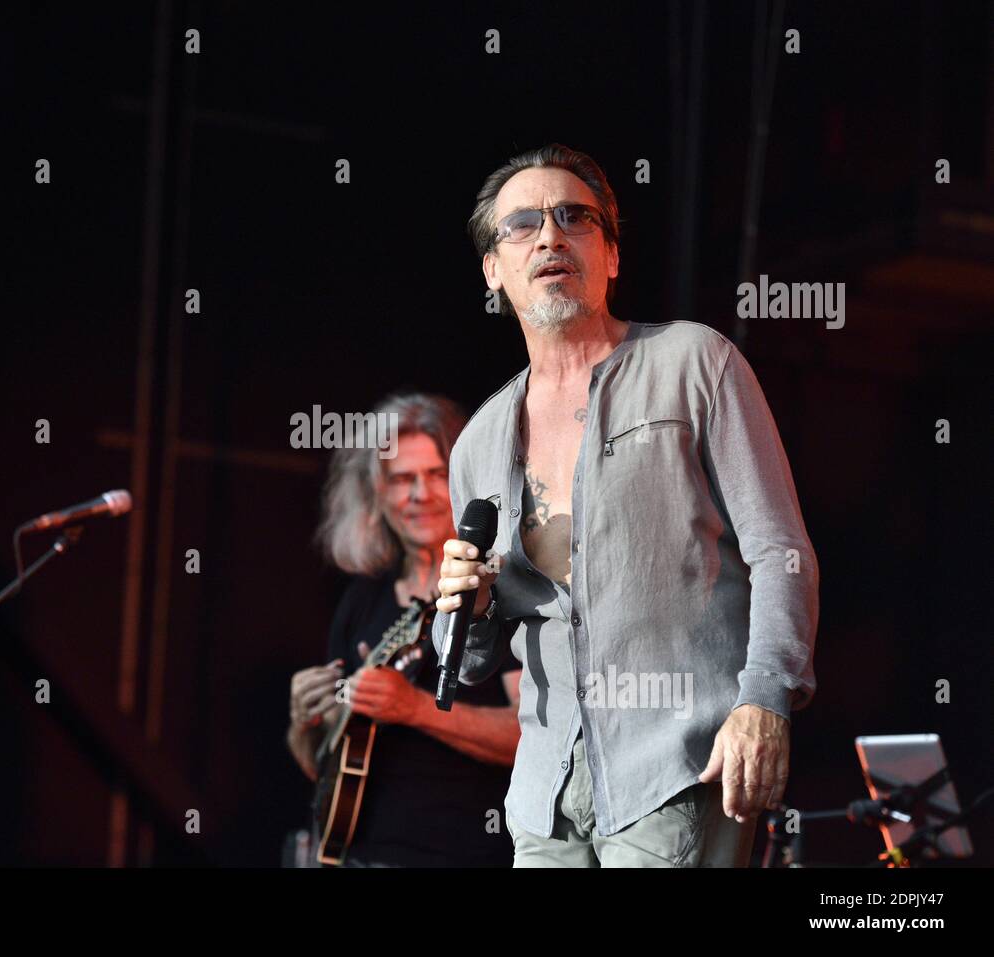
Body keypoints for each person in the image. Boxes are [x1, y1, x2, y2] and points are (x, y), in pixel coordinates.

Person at [432, 144, 819, 867]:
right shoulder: (478, 441)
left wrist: (764, 697)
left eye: (574, 217)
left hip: (677, 761)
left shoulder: (695, 362)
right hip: (547, 791)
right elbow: (477, 659)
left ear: (610, 254)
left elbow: (780, 550)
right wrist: (467, 609)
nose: (550, 235)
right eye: (522, 225)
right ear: (493, 270)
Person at [287, 392, 522, 866]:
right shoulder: (363, 597)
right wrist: (301, 721)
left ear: (464, 481)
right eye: (401, 479)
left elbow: (533, 735)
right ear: (377, 494)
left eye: (436, 475)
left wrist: (414, 708)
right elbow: (323, 768)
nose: (420, 495)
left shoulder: (494, 588)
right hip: (355, 855)